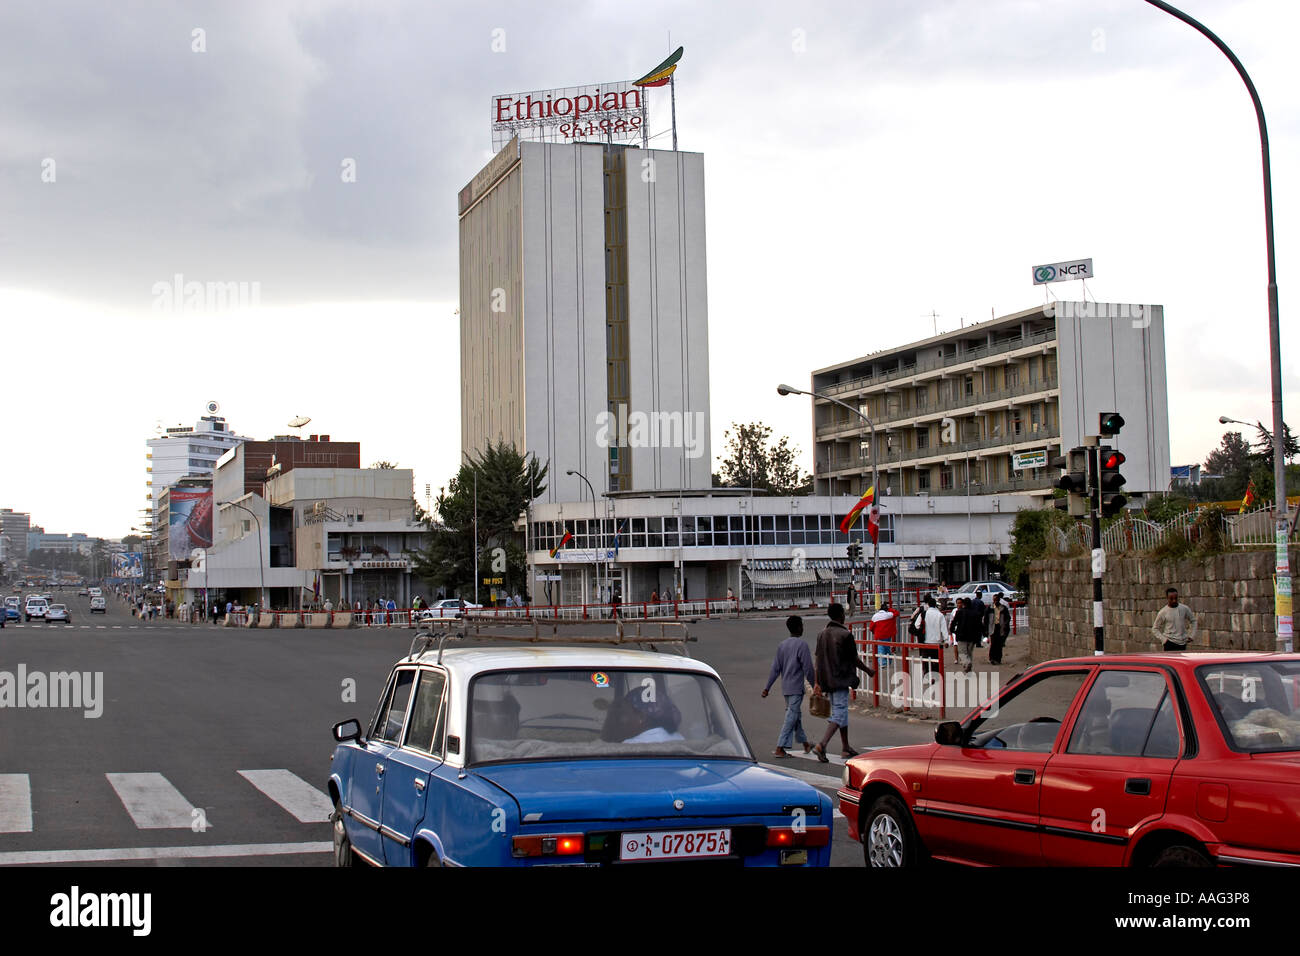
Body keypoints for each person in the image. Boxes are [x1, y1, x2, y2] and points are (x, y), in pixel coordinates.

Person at [811, 603, 877, 762]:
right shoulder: (845, 635)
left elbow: (818, 660)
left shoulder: (822, 634)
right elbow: (853, 659)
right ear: (841, 615)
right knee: (839, 713)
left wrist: (817, 682)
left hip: (827, 679)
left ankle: (845, 747)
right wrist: (868, 670)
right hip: (840, 679)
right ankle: (822, 745)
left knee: (841, 714)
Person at [761, 616, 816, 758]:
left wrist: (768, 687)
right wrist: (815, 684)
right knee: (791, 717)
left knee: (795, 716)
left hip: (785, 688)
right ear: (798, 627)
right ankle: (780, 747)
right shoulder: (802, 645)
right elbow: (808, 668)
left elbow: (775, 668)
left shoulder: (782, 645)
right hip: (796, 688)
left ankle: (805, 744)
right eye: (802, 625)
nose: (803, 628)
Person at [954, 595, 985, 674]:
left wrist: (952, 630)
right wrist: (982, 634)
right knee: (969, 652)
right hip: (972, 637)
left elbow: (954, 622)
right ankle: (969, 669)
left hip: (961, 636)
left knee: (962, 653)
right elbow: (980, 625)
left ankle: (967, 664)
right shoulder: (976, 613)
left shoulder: (959, 612)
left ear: (964, 604)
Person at [920, 595, 949, 677]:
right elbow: (944, 629)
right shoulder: (940, 615)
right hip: (937, 642)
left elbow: (917, 625)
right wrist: (946, 640)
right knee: (936, 660)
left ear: (928, 605)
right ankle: (935, 675)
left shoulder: (924, 614)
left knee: (926, 660)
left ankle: (927, 675)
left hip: (926, 641)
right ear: (935, 605)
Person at [868, 599, 901, 671]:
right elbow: (897, 613)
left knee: (880, 648)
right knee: (887, 648)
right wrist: (889, 608)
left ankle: (882, 663)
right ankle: (888, 661)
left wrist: (873, 631)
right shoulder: (889, 614)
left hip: (879, 634)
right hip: (888, 634)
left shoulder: (875, 616)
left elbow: (871, 627)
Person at [987, 593, 1011, 665]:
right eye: (994, 600)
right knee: (993, 643)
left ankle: (998, 659)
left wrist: (1005, 625)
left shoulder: (1003, 608)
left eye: (997, 600)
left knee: (999, 644)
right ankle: (992, 658)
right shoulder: (990, 608)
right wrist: (986, 628)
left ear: (999, 600)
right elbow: (986, 619)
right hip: (992, 627)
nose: (995, 601)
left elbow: (1008, 618)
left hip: (1000, 628)